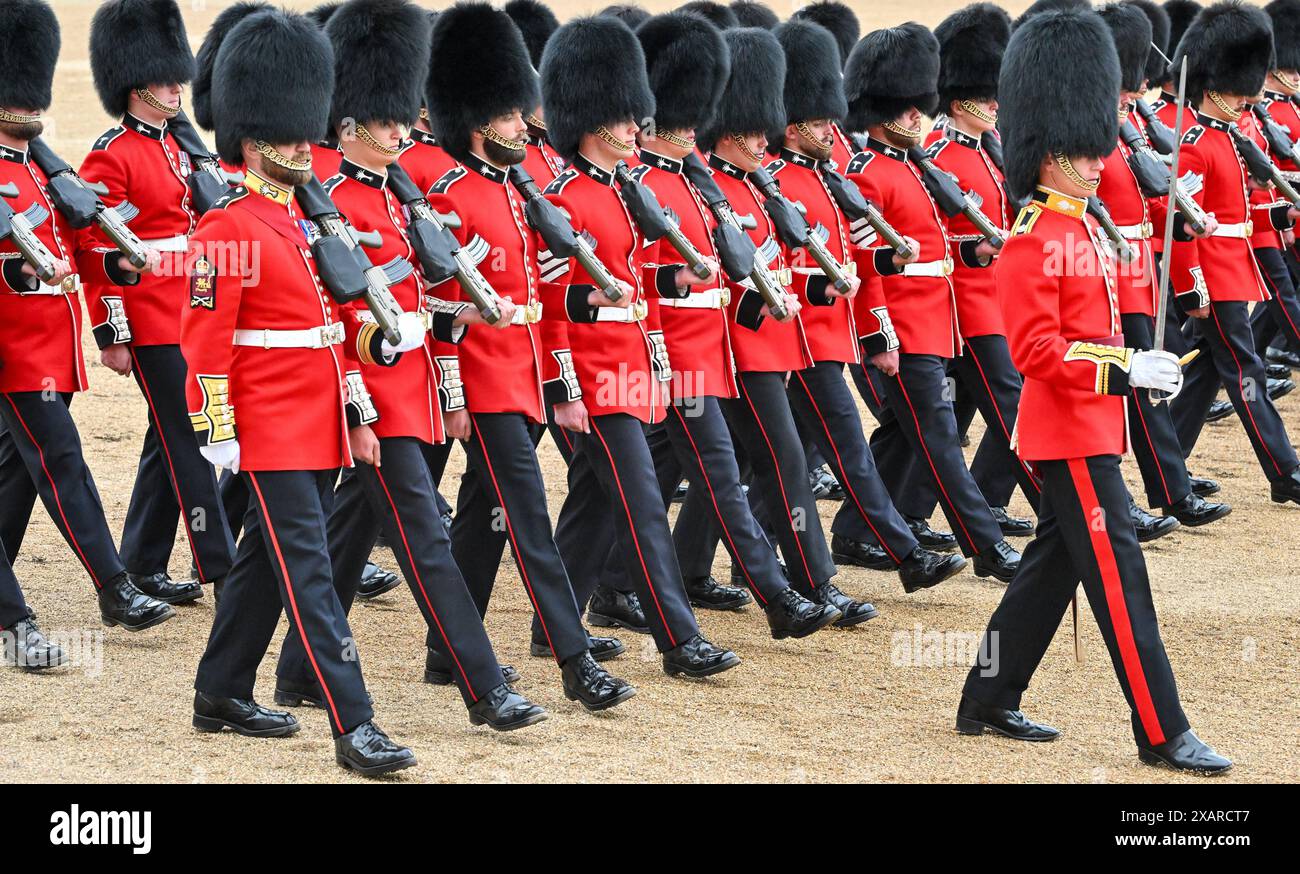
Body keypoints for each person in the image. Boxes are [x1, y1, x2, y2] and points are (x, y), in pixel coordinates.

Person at [957, 5, 1230, 774]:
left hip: (1093, 427)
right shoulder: (1032, 239)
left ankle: (986, 695)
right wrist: (1125, 369)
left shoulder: (1078, 225)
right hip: (1067, 435)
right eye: (1082, 149)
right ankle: (1162, 729)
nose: (1097, 158)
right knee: (1120, 580)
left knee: (1051, 570)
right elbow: (1038, 351)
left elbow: (1094, 325)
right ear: (1047, 152)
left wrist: (1143, 361)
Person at [267, 0, 548, 731]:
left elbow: (429, 301)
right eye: (387, 120)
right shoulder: (323, 197)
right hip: (362, 391)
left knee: (337, 533)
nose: (402, 129)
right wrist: (361, 398)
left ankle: (278, 674)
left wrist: (448, 363)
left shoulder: (398, 193)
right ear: (351, 122)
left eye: (403, 117)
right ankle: (484, 687)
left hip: (408, 385)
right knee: (423, 539)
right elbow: (331, 309)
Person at [183, 7, 414, 776]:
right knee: (309, 573)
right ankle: (355, 724)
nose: (303, 146)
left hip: (315, 418)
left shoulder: (302, 224)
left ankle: (219, 690)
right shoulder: (226, 230)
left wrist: (355, 413)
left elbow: (328, 329)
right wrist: (217, 425)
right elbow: (204, 342)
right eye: (289, 137)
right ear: (254, 141)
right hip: (268, 427)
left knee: (263, 563)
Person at [594, 10, 846, 637]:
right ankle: (780, 595)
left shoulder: (688, 180)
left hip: (713, 349)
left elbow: (729, 273)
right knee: (716, 472)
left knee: (642, 480)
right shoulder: (642, 184)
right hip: (673, 352)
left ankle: (614, 587)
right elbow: (636, 277)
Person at [422, 0, 636, 710]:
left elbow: (541, 306)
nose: (524, 123)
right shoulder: (448, 198)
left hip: (520, 374)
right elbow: (438, 311)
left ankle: (443, 653)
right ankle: (575, 663)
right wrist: (453, 391)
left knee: (482, 518)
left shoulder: (517, 195)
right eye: (512, 115)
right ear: (479, 122)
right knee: (528, 517)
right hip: (481, 377)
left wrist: (557, 381)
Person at [538, 14, 740, 678]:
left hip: (628, 367)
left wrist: (671, 279)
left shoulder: (621, 193)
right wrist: (564, 388)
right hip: (593, 377)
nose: (636, 129)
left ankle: (553, 625)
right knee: (644, 503)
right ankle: (678, 640)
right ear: (592, 121)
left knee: (596, 504)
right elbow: (553, 307)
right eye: (624, 119)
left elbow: (628, 281)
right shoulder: (562, 199)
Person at [770, 18, 968, 600]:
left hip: (825, 336)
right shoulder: (780, 184)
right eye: (820, 119)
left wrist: (869, 318)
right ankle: (903, 553)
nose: (833, 128)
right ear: (791, 123)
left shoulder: (827, 179)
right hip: (791, 336)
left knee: (775, 467)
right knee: (842, 452)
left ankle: (738, 567)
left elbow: (858, 263)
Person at [0, 0, 174, 633]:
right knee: (62, 460)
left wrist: (117, 274)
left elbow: (79, 249)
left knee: (19, 472)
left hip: (52, 348)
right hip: (16, 352)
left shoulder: (42, 173)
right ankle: (115, 584)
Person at [844, 21, 1023, 583]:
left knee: (904, 434)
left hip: (936, 318)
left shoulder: (915, 168)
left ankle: (852, 531)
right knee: (940, 436)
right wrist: (879, 336)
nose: (917, 115)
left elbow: (940, 248)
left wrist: (975, 253)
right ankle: (987, 546)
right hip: (902, 324)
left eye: (918, 105)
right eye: (906, 108)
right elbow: (869, 266)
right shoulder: (867, 174)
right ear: (882, 110)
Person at [83, 0, 237, 605]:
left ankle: (142, 562)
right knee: (193, 435)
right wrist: (112, 332)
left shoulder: (179, 145)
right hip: (150, 318)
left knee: (164, 437)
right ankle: (223, 567)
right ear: (135, 83)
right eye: (167, 78)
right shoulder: (110, 153)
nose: (178, 86)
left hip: (191, 311)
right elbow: (99, 256)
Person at [1095, 1, 1231, 529]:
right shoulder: (1093, 132)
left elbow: (1142, 204)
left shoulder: (1128, 127)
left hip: (1138, 269)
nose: (1136, 91)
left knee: (1152, 378)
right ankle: (1166, 491)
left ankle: (1169, 483)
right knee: (1131, 386)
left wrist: (1181, 214)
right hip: (1106, 269)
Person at [1165, 1, 1300, 505]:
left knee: (1204, 375)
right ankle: (1285, 470)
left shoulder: (1230, 136)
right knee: (1247, 369)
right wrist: (1192, 285)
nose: (1249, 96)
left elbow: (1237, 215)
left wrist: (1280, 216)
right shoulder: (1196, 142)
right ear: (1214, 84)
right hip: (1213, 276)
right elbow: (1183, 226)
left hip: (1233, 268)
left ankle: (1170, 471)